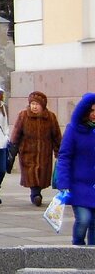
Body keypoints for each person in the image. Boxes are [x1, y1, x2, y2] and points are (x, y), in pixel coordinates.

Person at [9, 91, 62, 207]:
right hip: (28, 152)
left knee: (42, 175)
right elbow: (16, 133)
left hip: (44, 153)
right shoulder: (23, 115)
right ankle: (35, 194)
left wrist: (59, 152)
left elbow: (56, 136)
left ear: (43, 105)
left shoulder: (50, 117)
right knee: (31, 174)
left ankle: (37, 193)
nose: (34, 106)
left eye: (37, 104)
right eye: (32, 103)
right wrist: (13, 148)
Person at [56, 92, 95, 245]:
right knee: (84, 220)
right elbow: (64, 157)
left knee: (94, 224)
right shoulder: (73, 129)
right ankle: (77, 246)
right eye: (91, 111)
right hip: (78, 185)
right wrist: (63, 184)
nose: (94, 114)